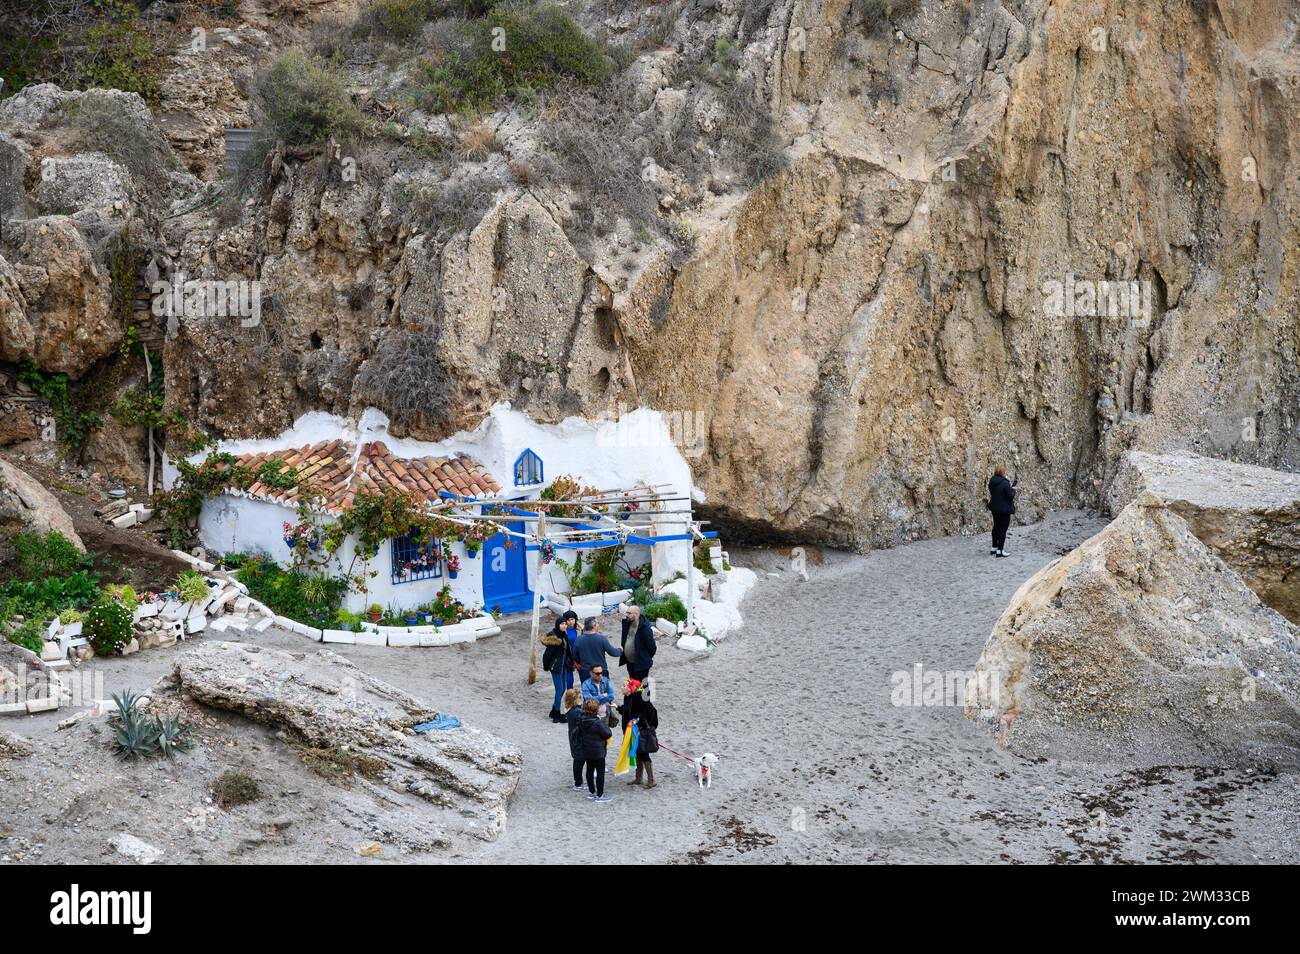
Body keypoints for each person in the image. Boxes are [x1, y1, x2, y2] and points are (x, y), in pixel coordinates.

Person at [617, 678, 659, 789]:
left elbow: (646, 713)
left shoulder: (638, 698)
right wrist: (617, 708)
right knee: (637, 752)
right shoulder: (628, 697)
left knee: (644, 753)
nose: (622, 687)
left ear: (631, 688)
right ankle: (638, 778)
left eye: (624, 685)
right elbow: (627, 712)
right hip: (632, 730)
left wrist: (638, 721)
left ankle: (651, 780)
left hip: (640, 730)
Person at [541, 610, 578, 723]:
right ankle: (556, 714)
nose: (564, 625)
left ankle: (554, 710)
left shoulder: (563, 635)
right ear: (558, 625)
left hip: (562, 667)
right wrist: (547, 666)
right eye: (562, 624)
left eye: (564, 624)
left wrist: (572, 661)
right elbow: (547, 654)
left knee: (561, 690)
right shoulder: (555, 638)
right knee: (560, 690)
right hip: (556, 668)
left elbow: (568, 652)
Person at [577, 698, 613, 801]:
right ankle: (600, 795)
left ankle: (592, 792)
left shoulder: (581, 720)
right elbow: (608, 733)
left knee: (589, 770)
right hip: (598, 752)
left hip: (587, 750)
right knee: (600, 773)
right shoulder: (597, 723)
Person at [574, 616, 619, 683]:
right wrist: (620, 650)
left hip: (585, 672)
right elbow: (614, 653)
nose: (598, 625)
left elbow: (574, 655)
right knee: (603, 692)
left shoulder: (578, 639)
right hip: (600, 672)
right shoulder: (601, 638)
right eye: (597, 623)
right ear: (593, 626)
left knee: (588, 692)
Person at [619, 605, 657, 680]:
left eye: (629, 613)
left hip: (641, 664)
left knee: (642, 687)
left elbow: (652, 648)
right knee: (632, 684)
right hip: (630, 662)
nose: (627, 615)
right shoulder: (627, 624)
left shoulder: (645, 629)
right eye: (627, 613)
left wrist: (643, 657)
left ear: (636, 614)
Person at [987, 465, 1018, 558]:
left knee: (996, 527)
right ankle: (1000, 551)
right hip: (1004, 509)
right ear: (1003, 472)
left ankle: (994, 548)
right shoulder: (1005, 482)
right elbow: (1010, 496)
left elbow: (996, 493)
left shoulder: (991, 482)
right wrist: (1013, 490)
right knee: (1003, 529)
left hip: (994, 508)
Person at [562, 687, 586, 792]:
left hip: (573, 737)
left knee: (577, 760)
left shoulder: (570, 710)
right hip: (578, 738)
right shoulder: (577, 711)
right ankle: (578, 783)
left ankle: (578, 781)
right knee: (579, 760)